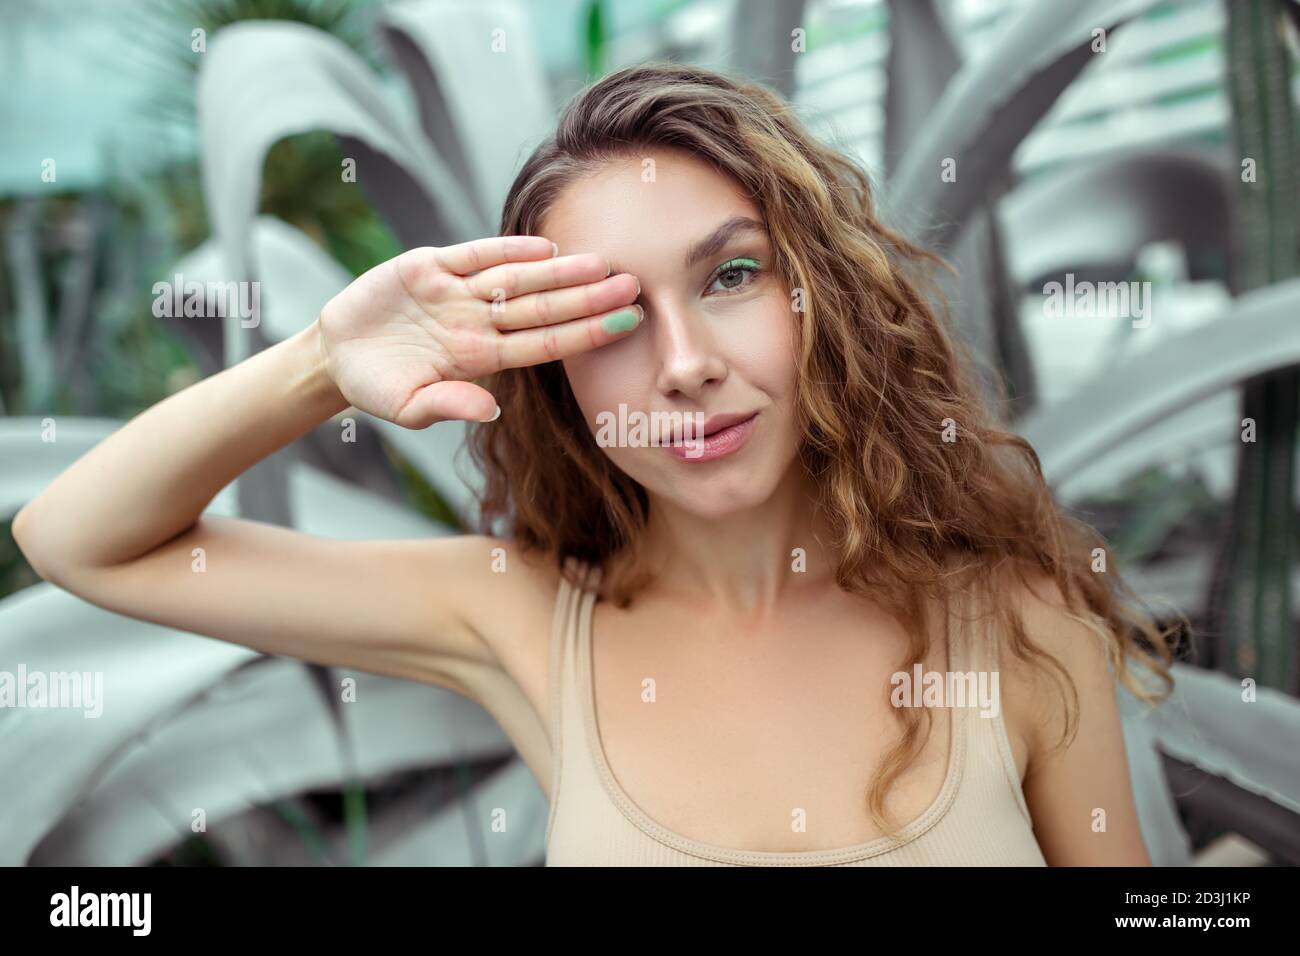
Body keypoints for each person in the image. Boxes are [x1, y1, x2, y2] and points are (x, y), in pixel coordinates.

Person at [13, 62, 1178, 866]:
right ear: (551, 368)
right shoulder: (518, 616)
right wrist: (321, 359)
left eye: (731, 276)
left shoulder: (1018, 624)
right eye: (612, 318)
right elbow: (76, 538)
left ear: (826, 299)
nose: (683, 365)